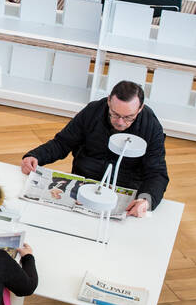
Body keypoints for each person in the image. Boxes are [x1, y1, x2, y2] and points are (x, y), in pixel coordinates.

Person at [21, 80, 169, 217]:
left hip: (122, 189)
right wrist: (35, 156)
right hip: (84, 185)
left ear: (140, 108)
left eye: (129, 117)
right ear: (109, 100)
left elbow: (157, 172)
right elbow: (62, 143)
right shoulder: (93, 111)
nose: (120, 122)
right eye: (115, 114)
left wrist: (146, 200)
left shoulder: (151, 126)